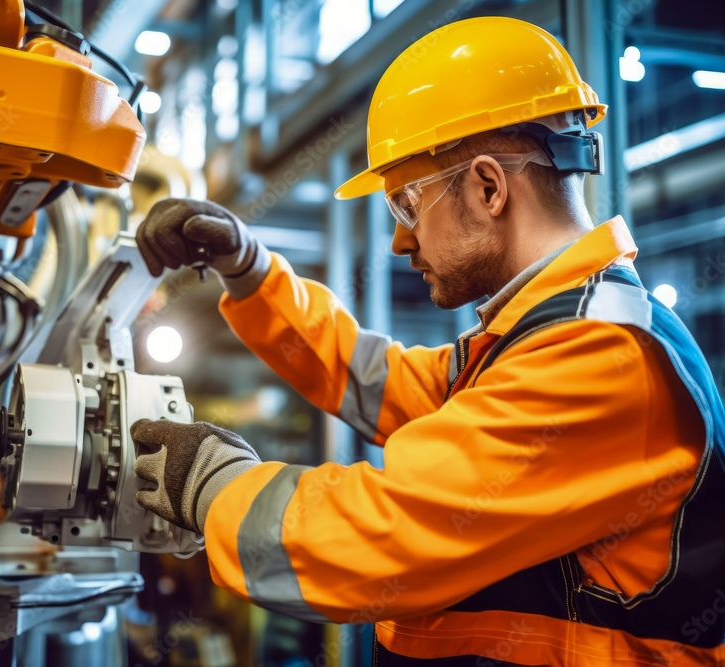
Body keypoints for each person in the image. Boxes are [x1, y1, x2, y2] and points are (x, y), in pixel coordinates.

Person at [129, 16, 725, 666]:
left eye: (406, 205)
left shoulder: (601, 353)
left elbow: (379, 537)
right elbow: (381, 379)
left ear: (490, 187)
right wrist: (251, 271)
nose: (399, 240)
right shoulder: (546, 333)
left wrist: (210, 483)